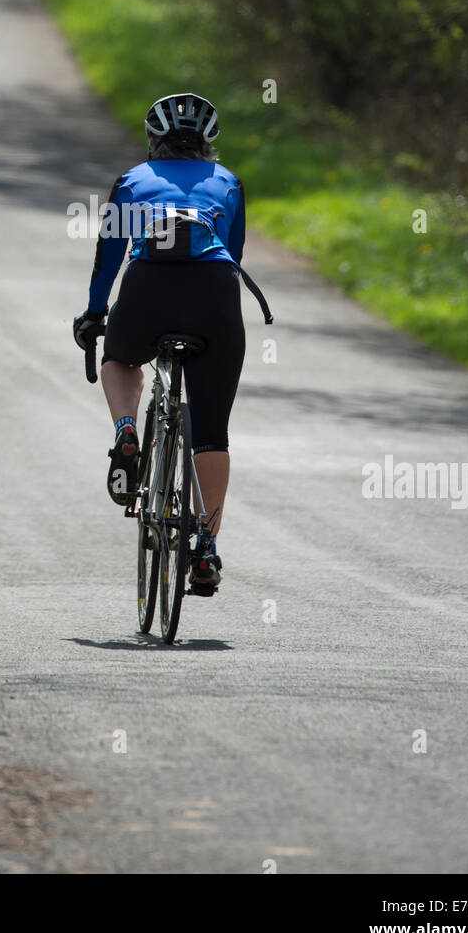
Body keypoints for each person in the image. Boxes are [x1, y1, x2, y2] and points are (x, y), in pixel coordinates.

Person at [73, 92, 267, 595]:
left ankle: (124, 432)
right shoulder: (229, 184)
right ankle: (205, 547)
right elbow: (235, 253)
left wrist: (95, 315)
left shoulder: (132, 181)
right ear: (210, 144)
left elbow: (108, 256)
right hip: (215, 298)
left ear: (153, 141)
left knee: (120, 358)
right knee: (212, 432)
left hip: (148, 291)